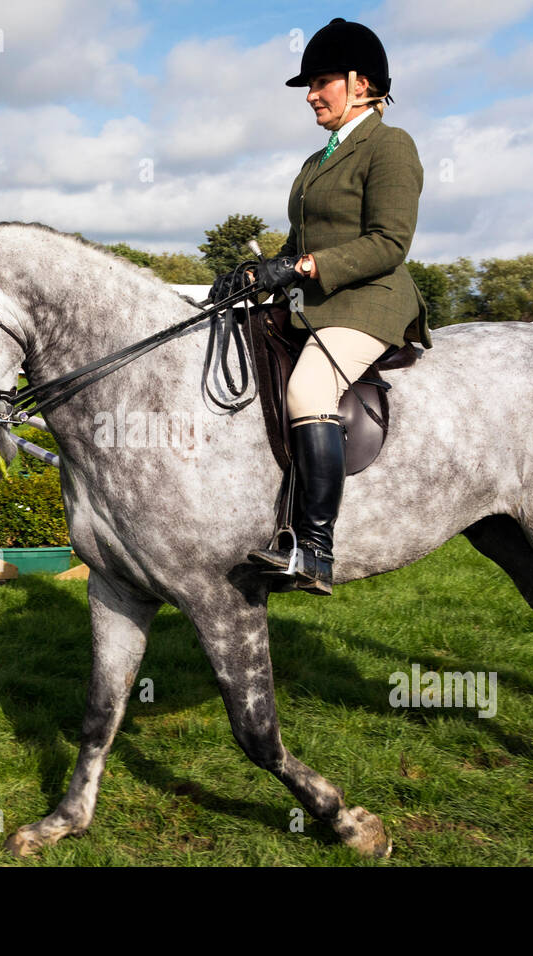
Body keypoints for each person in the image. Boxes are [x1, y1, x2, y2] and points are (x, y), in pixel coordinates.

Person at [215, 18, 429, 596]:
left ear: (362, 84)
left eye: (322, 81)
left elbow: (389, 242)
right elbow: (298, 241)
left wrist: (305, 267)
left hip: (369, 300)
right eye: (310, 85)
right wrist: (256, 276)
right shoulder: (316, 162)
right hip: (311, 305)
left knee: (308, 390)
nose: (310, 94)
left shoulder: (391, 146)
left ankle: (314, 548)